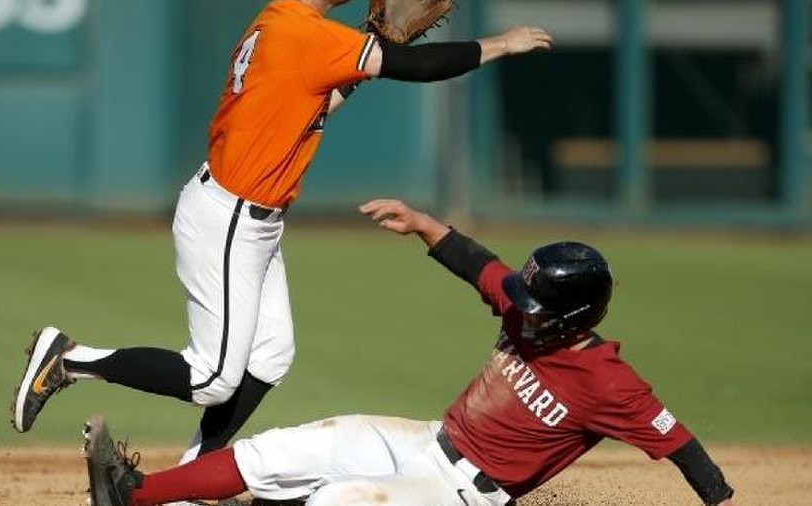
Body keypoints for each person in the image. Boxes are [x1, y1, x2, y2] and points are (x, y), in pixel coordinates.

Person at [11, 0, 553, 465]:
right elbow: (416, 67)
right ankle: (71, 360)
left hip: (249, 218)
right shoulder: (299, 33)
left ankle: (193, 470)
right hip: (228, 217)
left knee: (269, 357)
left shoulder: (286, 28)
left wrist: (365, 56)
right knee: (211, 377)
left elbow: (314, 106)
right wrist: (502, 44)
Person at [80, 197, 737, 506]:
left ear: (575, 318)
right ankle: (132, 497)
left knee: (338, 503)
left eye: (534, 308)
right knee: (287, 449)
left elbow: (680, 444)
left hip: (464, 495)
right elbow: (475, 264)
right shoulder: (524, 301)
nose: (519, 311)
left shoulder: (610, 382)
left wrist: (720, 497)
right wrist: (423, 224)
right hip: (429, 443)